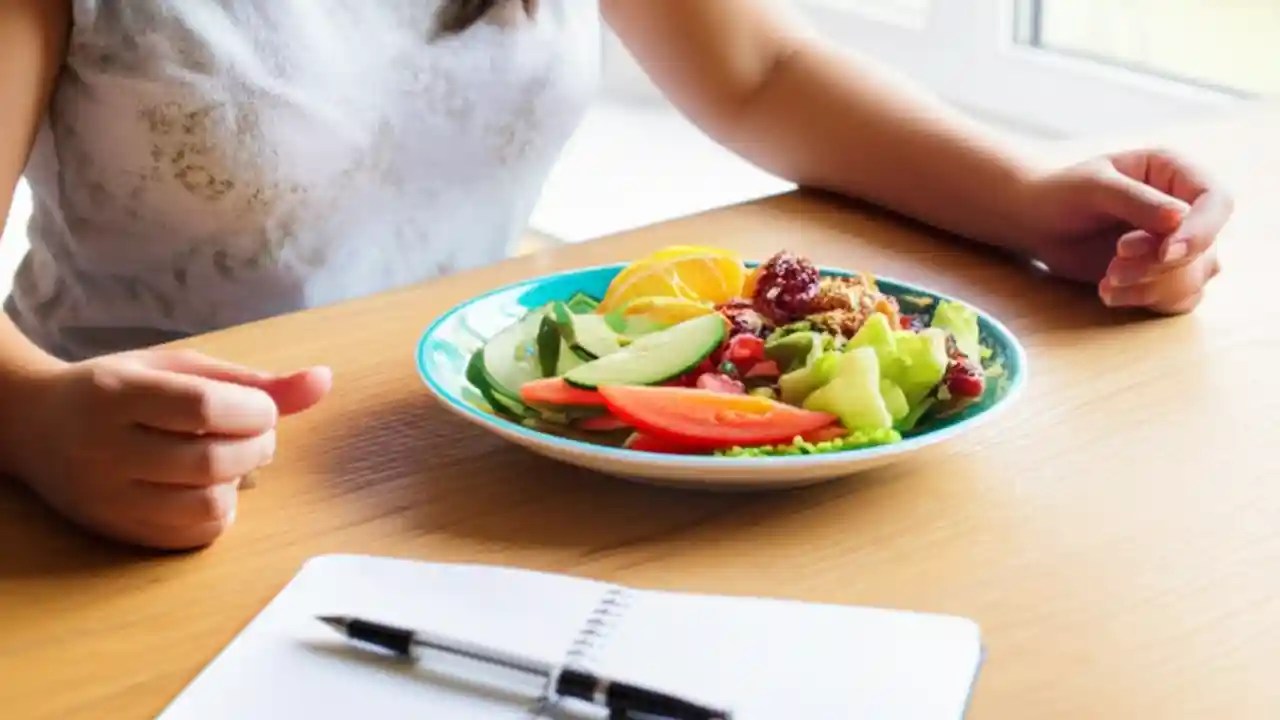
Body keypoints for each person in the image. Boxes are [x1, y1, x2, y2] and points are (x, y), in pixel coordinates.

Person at [0, 0, 1232, 550]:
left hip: (480, 458)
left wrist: (1025, 199)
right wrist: (32, 412)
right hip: (153, 480)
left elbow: (756, 69)